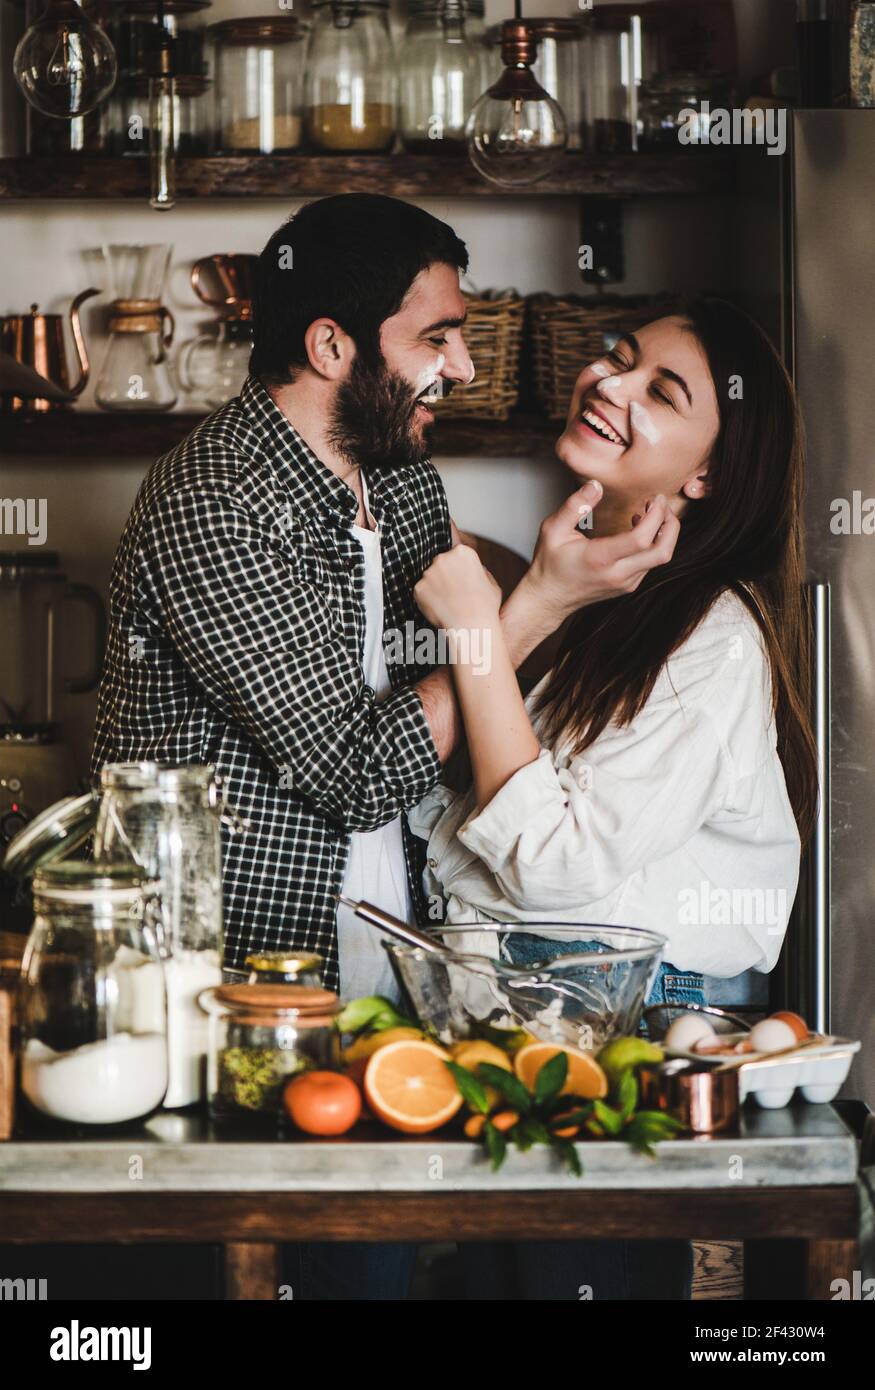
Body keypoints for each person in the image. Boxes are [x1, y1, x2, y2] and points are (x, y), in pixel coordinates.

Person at [90, 193, 680, 1299]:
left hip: (385, 971)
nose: (462, 367)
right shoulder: (215, 503)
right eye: (436, 338)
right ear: (330, 345)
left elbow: (457, 670)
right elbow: (361, 769)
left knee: (381, 1270)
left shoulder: (396, 465)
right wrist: (539, 603)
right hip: (248, 993)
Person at [412, 298, 818, 1300]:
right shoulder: (595, 594)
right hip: (533, 1033)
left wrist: (476, 624)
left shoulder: (711, 636)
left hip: (634, 1044)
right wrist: (528, 598)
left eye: (659, 391)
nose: (610, 383)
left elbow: (555, 865)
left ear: (705, 474)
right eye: (617, 358)